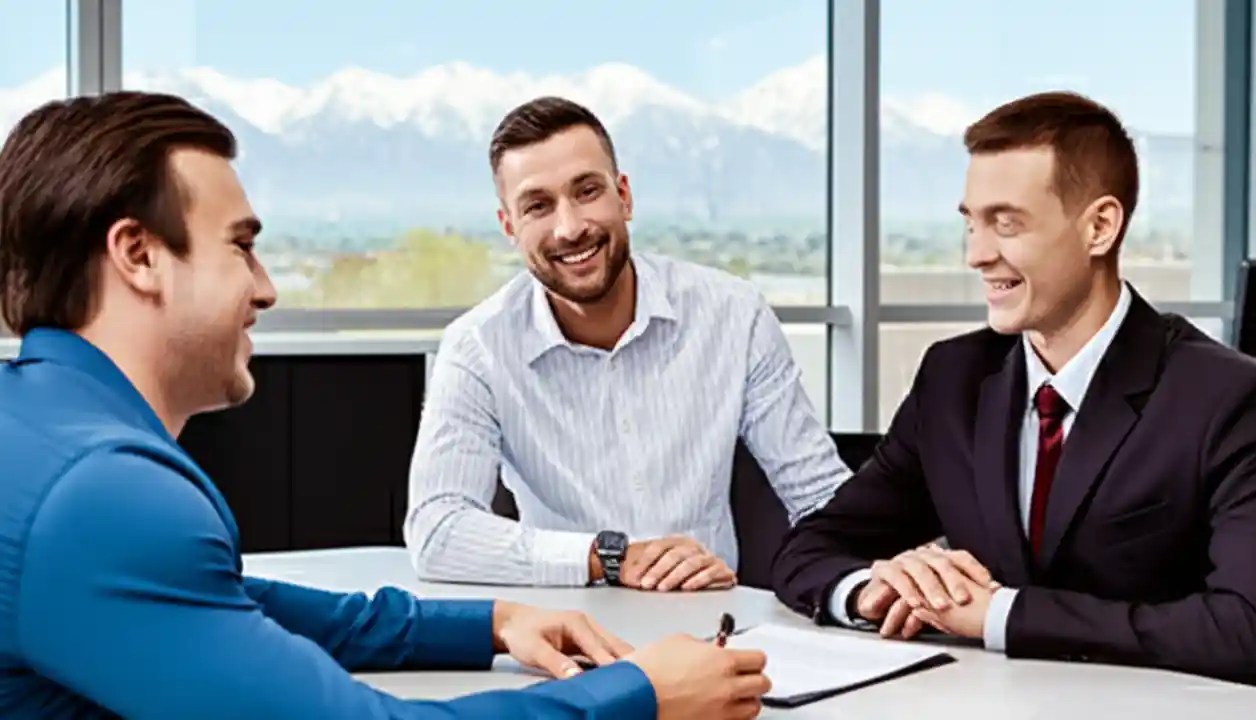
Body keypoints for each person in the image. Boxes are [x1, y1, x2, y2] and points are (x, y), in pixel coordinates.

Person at [0, 91, 772, 719]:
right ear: (138, 256)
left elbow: (224, 598)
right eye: (240, 246)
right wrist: (640, 695)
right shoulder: (104, 496)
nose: (264, 287)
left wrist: (492, 624)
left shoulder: (37, 430)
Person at [771, 91, 1256, 689]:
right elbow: (809, 549)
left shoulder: (1233, 400)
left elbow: (1254, 629)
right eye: (970, 222)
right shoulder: (953, 380)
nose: (976, 254)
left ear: (1099, 227)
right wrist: (873, 590)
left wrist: (1000, 615)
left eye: (1005, 224)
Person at [404, 96, 849, 590]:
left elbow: (820, 495)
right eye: (538, 206)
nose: (570, 227)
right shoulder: (477, 348)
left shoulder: (733, 314)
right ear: (510, 227)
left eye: (587, 191)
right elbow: (437, 531)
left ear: (624, 196)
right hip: (565, 640)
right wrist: (609, 557)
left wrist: (902, 568)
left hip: (713, 628)